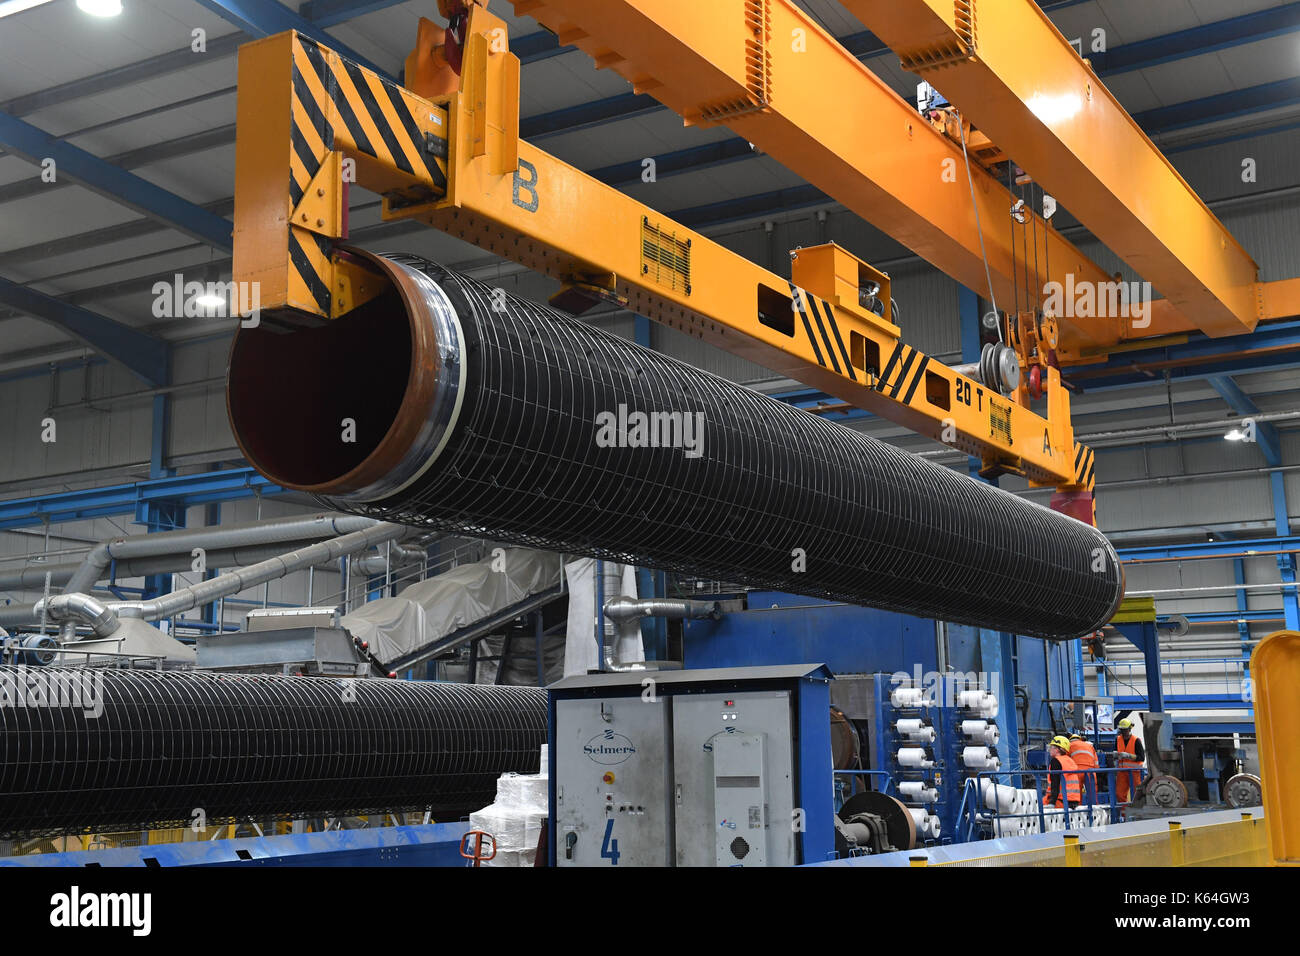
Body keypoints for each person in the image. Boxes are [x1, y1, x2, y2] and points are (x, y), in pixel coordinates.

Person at [1044, 735, 1082, 811]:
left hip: (1061, 800)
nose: (1049, 749)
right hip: (1074, 801)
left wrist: (1052, 803)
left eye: (1051, 747)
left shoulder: (1056, 761)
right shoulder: (1070, 760)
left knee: (1038, 807)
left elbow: (1055, 783)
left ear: (1058, 749)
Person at [1114, 717, 1145, 803]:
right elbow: (1116, 753)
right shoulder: (1118, 739)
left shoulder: (1136, 740)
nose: (1123, 732)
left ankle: (1137, 813)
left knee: (1137, 794)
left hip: (1135, 772)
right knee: (1119, 794)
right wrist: (1116, 755)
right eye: (1122, 730)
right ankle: (1124, 814)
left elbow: (1141, 757)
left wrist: (1129, 756)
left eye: (1125, 730)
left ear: (1129, 729)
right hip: (1122, 772)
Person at [1068, 732, 1099, 802]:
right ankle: (1094, 810)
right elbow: (1096, 762)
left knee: (1077, 793)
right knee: (1092, 793)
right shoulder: (1089, 746)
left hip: (1077, 771)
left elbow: (1066, 761)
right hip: (1091, 771)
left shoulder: (1069, 745)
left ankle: (1077, 810)